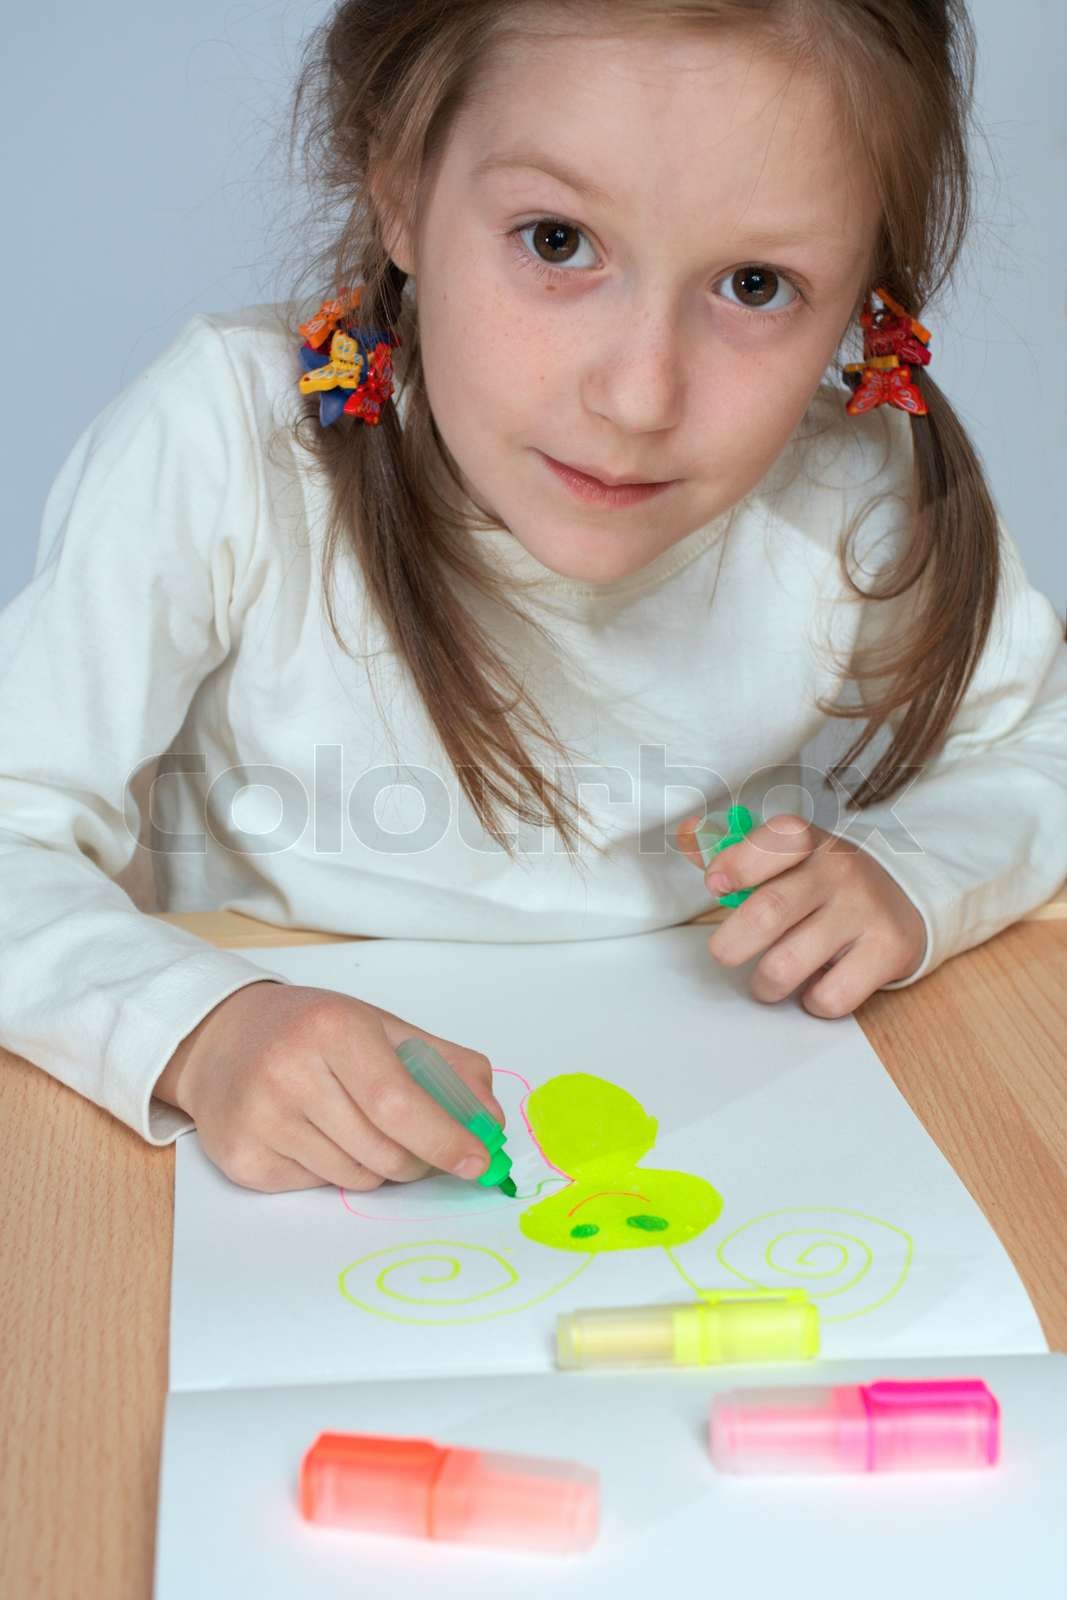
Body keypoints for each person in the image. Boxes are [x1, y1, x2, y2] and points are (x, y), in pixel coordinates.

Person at [1, 0, 1064, 1195]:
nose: (639, 395)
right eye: (556, 241)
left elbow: (1041, 743)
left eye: (754, 284)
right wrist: (198, 1029)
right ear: (399, 183)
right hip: (278, 1181)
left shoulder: (853, 495)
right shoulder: (225, 447)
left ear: (867, 299)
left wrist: (913, 875)